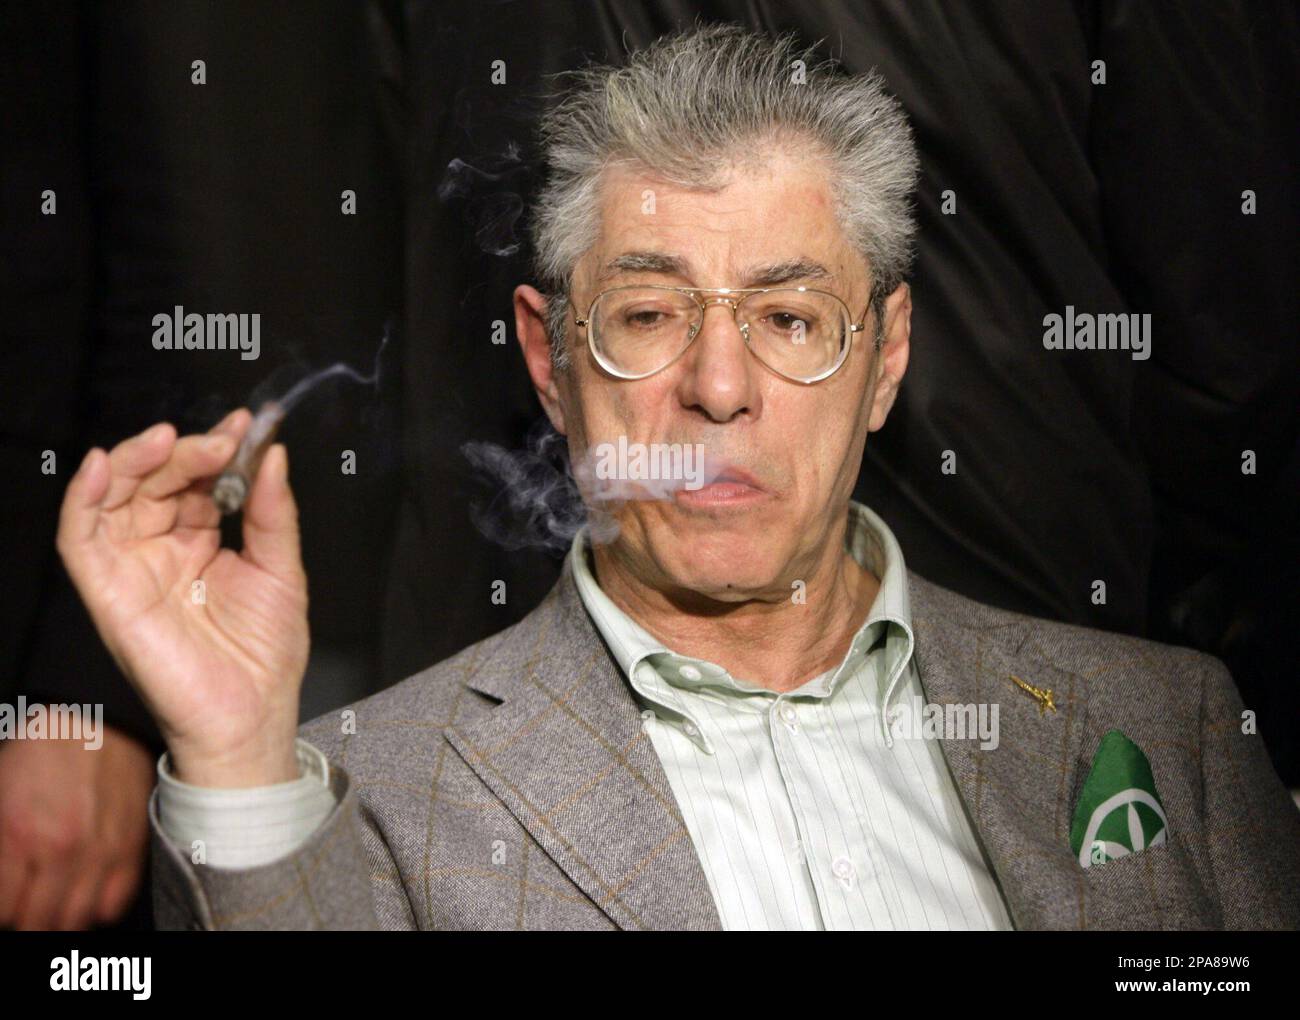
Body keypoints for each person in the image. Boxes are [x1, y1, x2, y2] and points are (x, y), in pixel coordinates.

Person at [55, 24, 1300, 930]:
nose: (718, 387)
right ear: (549, 359)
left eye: (791, 318)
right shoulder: (363, 796)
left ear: (885, 358)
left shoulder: (1166, 730)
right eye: (648, 315)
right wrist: (231, 759)